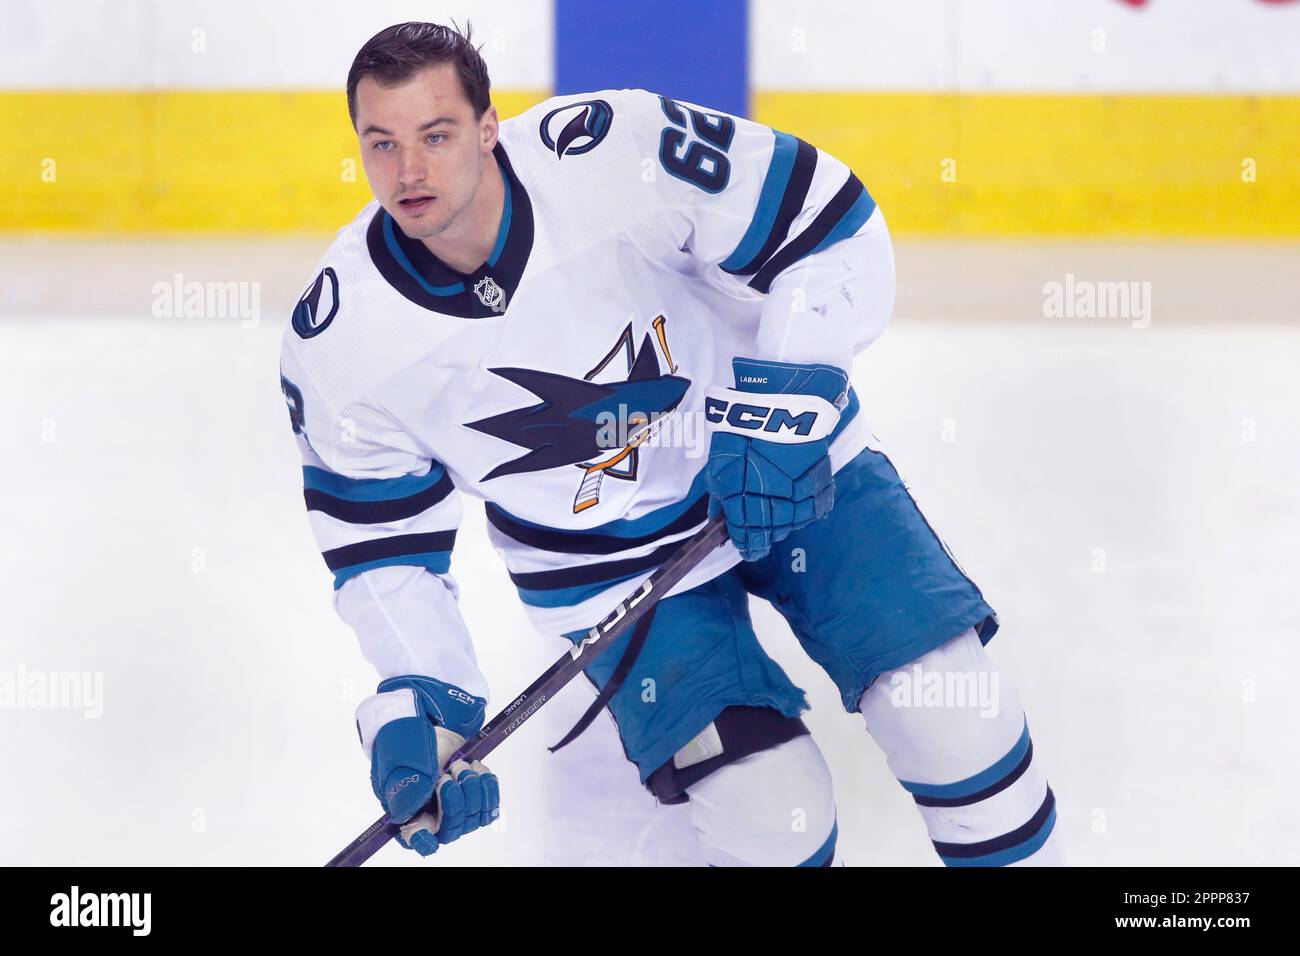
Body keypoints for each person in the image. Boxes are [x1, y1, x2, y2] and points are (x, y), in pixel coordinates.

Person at [280, 21, 1062, 866]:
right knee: (772, 820)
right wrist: (420, 705)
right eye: (382, 144)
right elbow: (382, 554)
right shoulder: (340, 346)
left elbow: (829, 224)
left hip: (787, 472)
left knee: (953, 720)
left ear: (487, 126)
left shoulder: (615, 155)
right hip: (604, 571)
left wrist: (787, 405)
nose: (410, 172)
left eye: (435, 136)